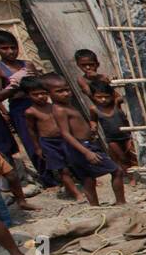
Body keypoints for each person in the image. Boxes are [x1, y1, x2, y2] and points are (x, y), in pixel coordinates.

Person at [48, 75, 124, 206]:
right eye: (59, 91)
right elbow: (65, 134)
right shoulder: (60, 109)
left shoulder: (67, 105)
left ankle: (95, 206)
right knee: (116, 170)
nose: (66, 93)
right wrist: (86, 152)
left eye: (67, 89)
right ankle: (121, 202)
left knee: (88, 179)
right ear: (49, 93)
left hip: (82, 146)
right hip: (82, 147)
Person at [0, 29, 55, 187]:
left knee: (52, 137)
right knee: (32, 143)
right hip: (19, 108)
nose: (11, 51)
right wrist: (14, 85)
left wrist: (33, 80)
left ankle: (66, 173)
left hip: (38, 104)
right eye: (5, 48)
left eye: (13, 47)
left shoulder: (27, 64)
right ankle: (48, 179)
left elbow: (40, 85)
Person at [23, 76, 86, 202]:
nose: (41, 97)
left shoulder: (55, 107)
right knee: (63, 170)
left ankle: (82, 184)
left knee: (75, 162)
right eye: (36, 94)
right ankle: (76, 194)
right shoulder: (31, 112)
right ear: (28, 95)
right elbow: (32, 131)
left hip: (64, 139)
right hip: (48, 143)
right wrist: (37, 147)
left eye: (43, 93)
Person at [88, 80, 138, 184]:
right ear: (93, 96)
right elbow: (93, 119)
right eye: (99, 97)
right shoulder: (94, 109)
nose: (103, 100)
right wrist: (93, 126)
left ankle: (139, 173)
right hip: (112, 139)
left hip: (127, 135)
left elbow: (126, 97)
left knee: (133, 154)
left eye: (107, 96)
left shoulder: (116, 103)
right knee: (122, 158)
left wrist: (113, 87)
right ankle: (131, 177)